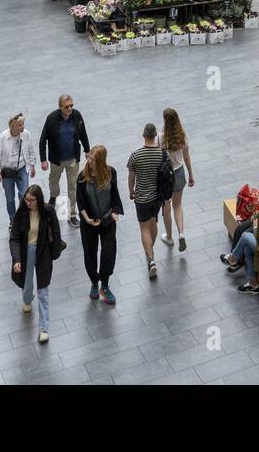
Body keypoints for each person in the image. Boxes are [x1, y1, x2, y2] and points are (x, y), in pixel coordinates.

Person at [9, 184, 62, 343]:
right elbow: (14, 237)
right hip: (26, 252)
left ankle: (44, 329)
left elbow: (57, 231)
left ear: (38, 200)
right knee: (27, 281)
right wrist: (17, 259)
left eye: (31, 200)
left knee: (43, 290)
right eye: (26, 200)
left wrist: (54, 253)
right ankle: (27, 299)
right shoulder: (22, 212)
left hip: (43, 251)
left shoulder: (48, 211)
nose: (28, 203)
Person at [76, 144, 124, 305]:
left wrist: (115, 212)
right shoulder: (82, 177)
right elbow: (80, 202)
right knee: (90, 252)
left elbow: (115, 195)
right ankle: (94, 283)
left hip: (107, 219)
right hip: (89, 222)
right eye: (89, 157)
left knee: (109, 251)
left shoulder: (111, 173)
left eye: (94, 159)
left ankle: (104, 283)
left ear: (101, 161)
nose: (90, 161)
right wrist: (87, 219)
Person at [37, 94, 90, 227]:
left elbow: (83, 133)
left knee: (73, 186)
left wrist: (87, 150)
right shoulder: (52, 119)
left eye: (71, 105)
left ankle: (72, 214)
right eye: (67, 106)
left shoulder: (77, 116)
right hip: (57, 160)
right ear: (60, 107)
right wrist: (43, 159)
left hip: (73, 159)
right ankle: (54, 197)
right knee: (53, 182)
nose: (70, 108)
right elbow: (43, 139)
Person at [126, 122, 167, 280]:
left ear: (143, 136)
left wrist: (131, 192)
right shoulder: (162, 154)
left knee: (144, 228)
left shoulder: (136, 155)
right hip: (157, 197)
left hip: (141, 198)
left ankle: (150, 259)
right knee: (153, 224)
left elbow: (131, 177)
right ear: (155, 135)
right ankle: (150, 251)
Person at [159, 108, 194, 252]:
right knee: (178, 205)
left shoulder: (160, 137)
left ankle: (169, 236)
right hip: (179, 173)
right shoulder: (183, 136)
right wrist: (191, 175)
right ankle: (181, 233)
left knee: (167, 207)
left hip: (166, 175)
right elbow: (186, 157)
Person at [0, 112, 37, 222]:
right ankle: (12, 221)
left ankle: (23, 218)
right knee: (10, 198)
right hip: (8, 172)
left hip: (22, 169)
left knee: (24, 195)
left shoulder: (26, 134)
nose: (23, 126)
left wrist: (32, 166)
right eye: (20, 125)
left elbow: (31, 150)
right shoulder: (3, 137)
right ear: (13, 126)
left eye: (23, 124)